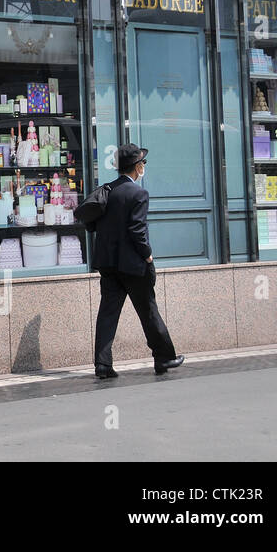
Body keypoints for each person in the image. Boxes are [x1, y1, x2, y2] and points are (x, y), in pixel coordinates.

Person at [92, 143, 185, 378]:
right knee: (148, 311)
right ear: (136, 167)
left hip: (109, 265)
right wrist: (148, 255)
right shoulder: (138, 193)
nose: (143, 166)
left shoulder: (107, 190)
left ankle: (103, 364)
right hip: (133, 265)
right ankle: (164, 357)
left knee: (107, 314)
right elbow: (137, 230)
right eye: (142, 163)